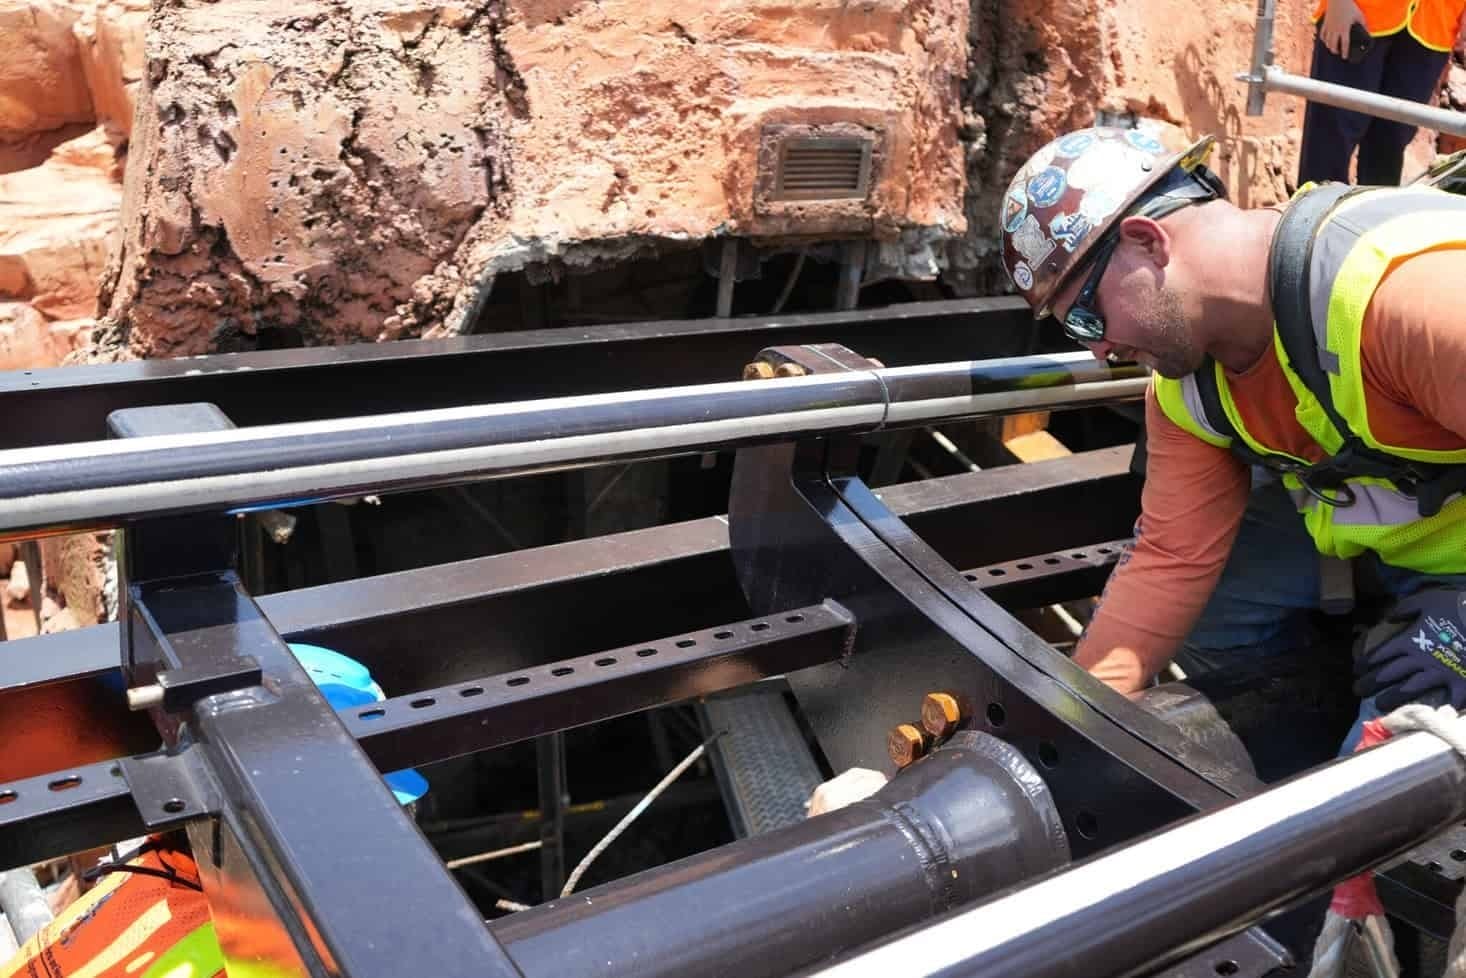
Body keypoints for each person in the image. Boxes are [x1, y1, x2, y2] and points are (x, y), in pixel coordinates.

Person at [999, 126, 1466, 752]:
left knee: (1387, 765)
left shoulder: (1406, 299)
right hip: (1402, 546)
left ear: (1145, 240)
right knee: (1221, 600)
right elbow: (1173, 557)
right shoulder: (1188, 388)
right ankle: (1304, 717)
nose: (1099, 349)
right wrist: (1070, 731)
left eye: (1087, 315)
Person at [1300, 0, 1466, 186]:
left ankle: (1373, 214)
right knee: (1329, 141)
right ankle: (1313, 212)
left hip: (1434, 26)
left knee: (1390, 147)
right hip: (1360, 15)